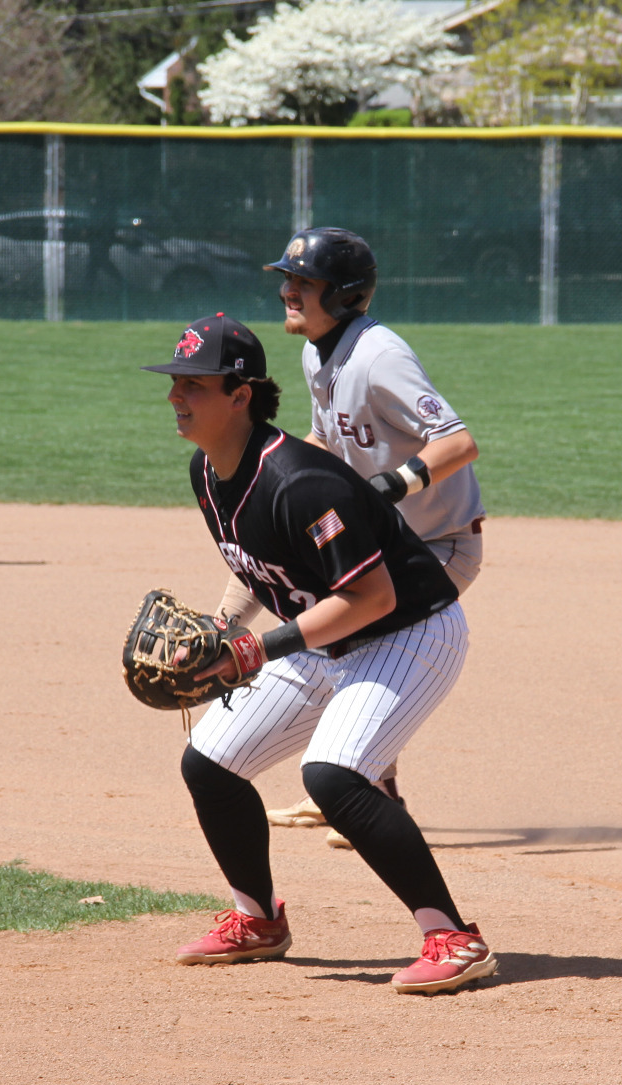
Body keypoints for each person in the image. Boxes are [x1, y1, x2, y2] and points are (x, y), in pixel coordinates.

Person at [143, 312, 496, 995]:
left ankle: (455, 935)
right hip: (324, 638)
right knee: (209, 761)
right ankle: (258, 918)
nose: (176, 397)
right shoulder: (209, 472)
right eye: (175, 383)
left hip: (408, 630)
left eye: (194, 384)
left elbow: (371, 597)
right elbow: (256, 567)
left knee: (333, 776)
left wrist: (257, 648)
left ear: (240, 394)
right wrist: (219, 631)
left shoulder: (302, 482)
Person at [250, 227, 486, 848]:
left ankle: (367, 792)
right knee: (336, 623)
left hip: (442, 542)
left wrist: (386, 488)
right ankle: (354, 785)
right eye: (287, 279)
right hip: (396, 542)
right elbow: (331, 435)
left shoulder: (380, 356)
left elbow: (458, 443)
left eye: (303, 282)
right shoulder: (316, 350)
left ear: (345, 294)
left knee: (354, 631)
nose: (287, 291)